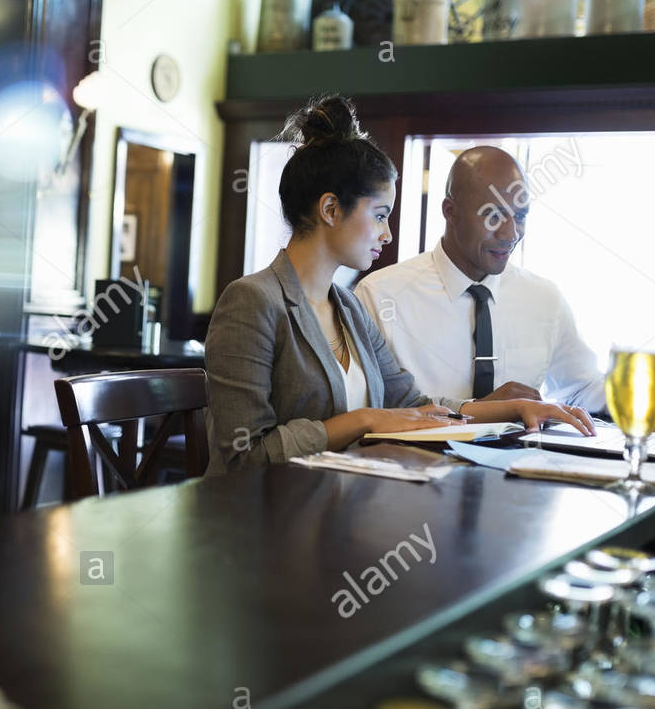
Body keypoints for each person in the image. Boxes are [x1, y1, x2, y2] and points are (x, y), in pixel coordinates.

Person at [204, 98, 594, 475]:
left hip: (334, 510)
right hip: (260, 521)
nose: (388, 234)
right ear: (330, 209)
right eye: (379, 215)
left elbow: (413, 404)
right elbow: (244, 456)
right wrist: (365, 419)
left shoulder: (347, 308)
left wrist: (515, 409)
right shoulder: (252, 301)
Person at [355, 145, 606, 418]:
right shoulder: (379, 296)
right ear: (450, 212)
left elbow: (583, 389)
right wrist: (479, 410)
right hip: (414, 459)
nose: (511, 234)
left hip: (522, 459)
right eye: (494, 215)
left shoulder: (545, 299)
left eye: (520, 216)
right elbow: (366, 411)